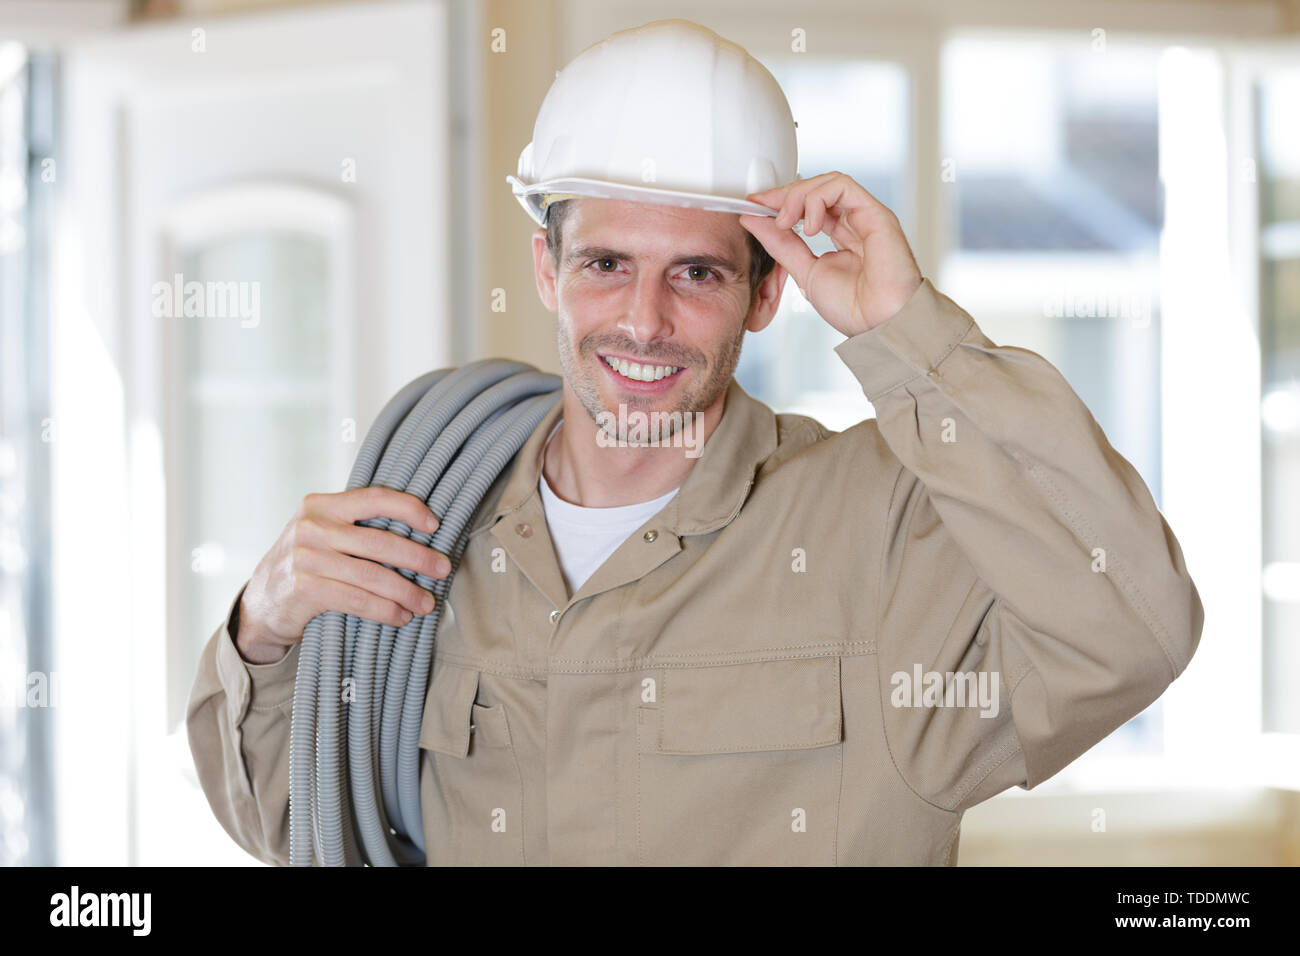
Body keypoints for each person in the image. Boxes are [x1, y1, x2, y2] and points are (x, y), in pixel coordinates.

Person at [187, 19, 1203, 866]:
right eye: (606, 262)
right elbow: (297, 818)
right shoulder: (433, 518)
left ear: (768, 291)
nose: (643, 319)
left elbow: (1131, 632)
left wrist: (903, 328)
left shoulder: (881, 522)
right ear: (546, 268)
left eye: (698, 274)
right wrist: (263, 627)